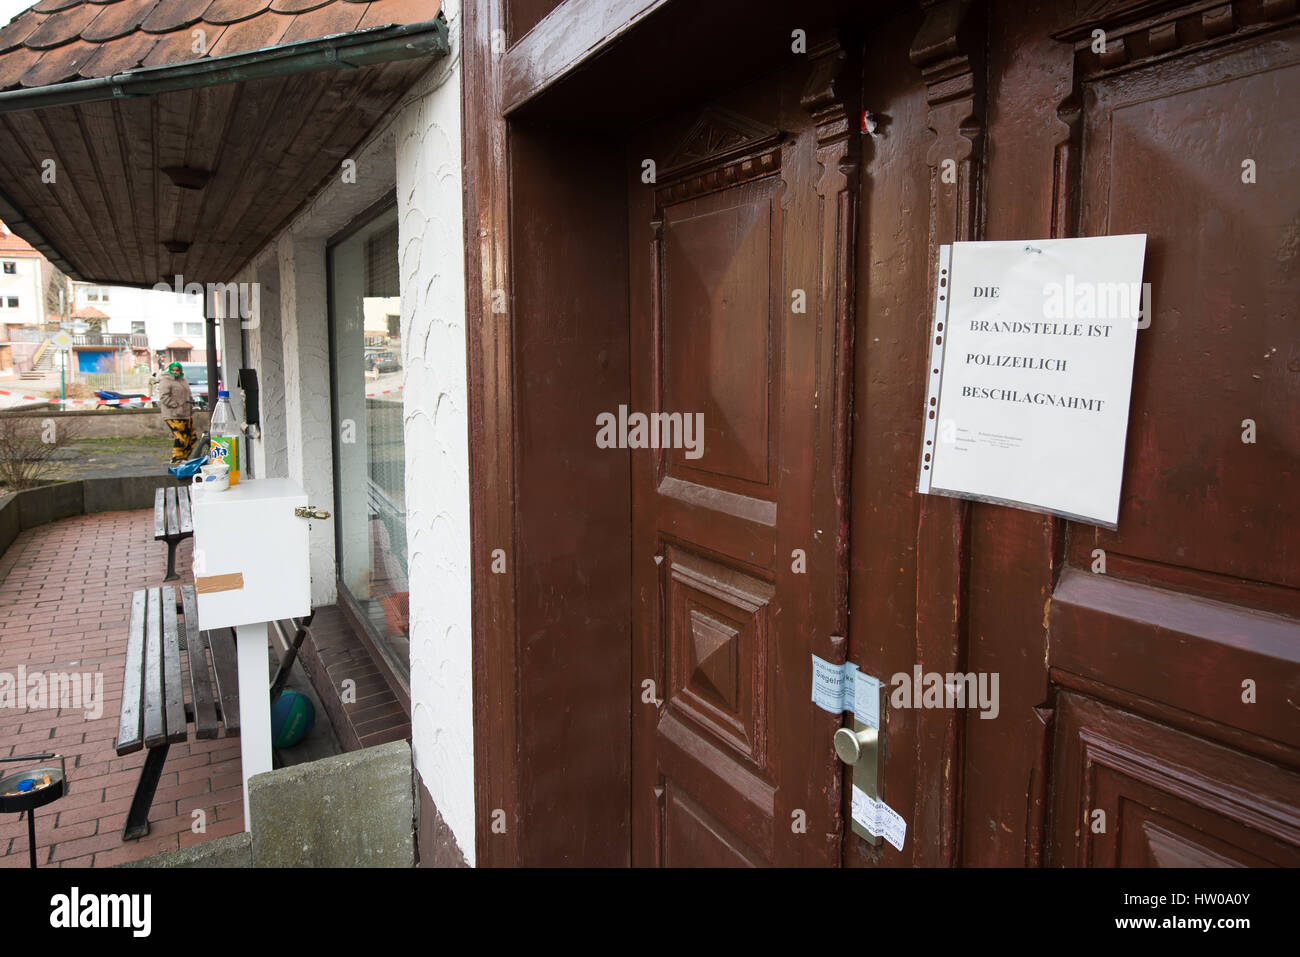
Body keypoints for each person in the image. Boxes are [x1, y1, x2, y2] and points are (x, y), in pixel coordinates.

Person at [154, 361, 196, 463]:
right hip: (172, 414)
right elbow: (164, 397)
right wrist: (175, 405)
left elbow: (188, 394)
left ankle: (184, 457)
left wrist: (191, 403)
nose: (175, 372)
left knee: (192, 437)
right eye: (173, 370)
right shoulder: (166, 380)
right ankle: (176, 458)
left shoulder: (183, 380)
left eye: (177, 370)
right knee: (180, 437)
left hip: (186, 413)